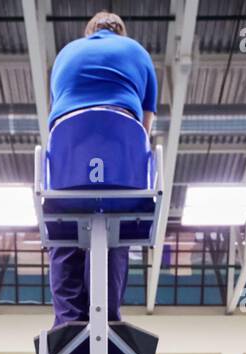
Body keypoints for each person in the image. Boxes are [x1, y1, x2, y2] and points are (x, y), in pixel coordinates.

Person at [46, 11, 157, 328]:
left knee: (65, 235)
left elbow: (57, 113)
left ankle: (67, 321)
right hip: (120, 153)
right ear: (120, 32)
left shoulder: (67, 52)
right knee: (116, 234)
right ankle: (106, 319)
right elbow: (144, 126)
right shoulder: (137, 52)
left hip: (69, 152)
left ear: (88, 32)